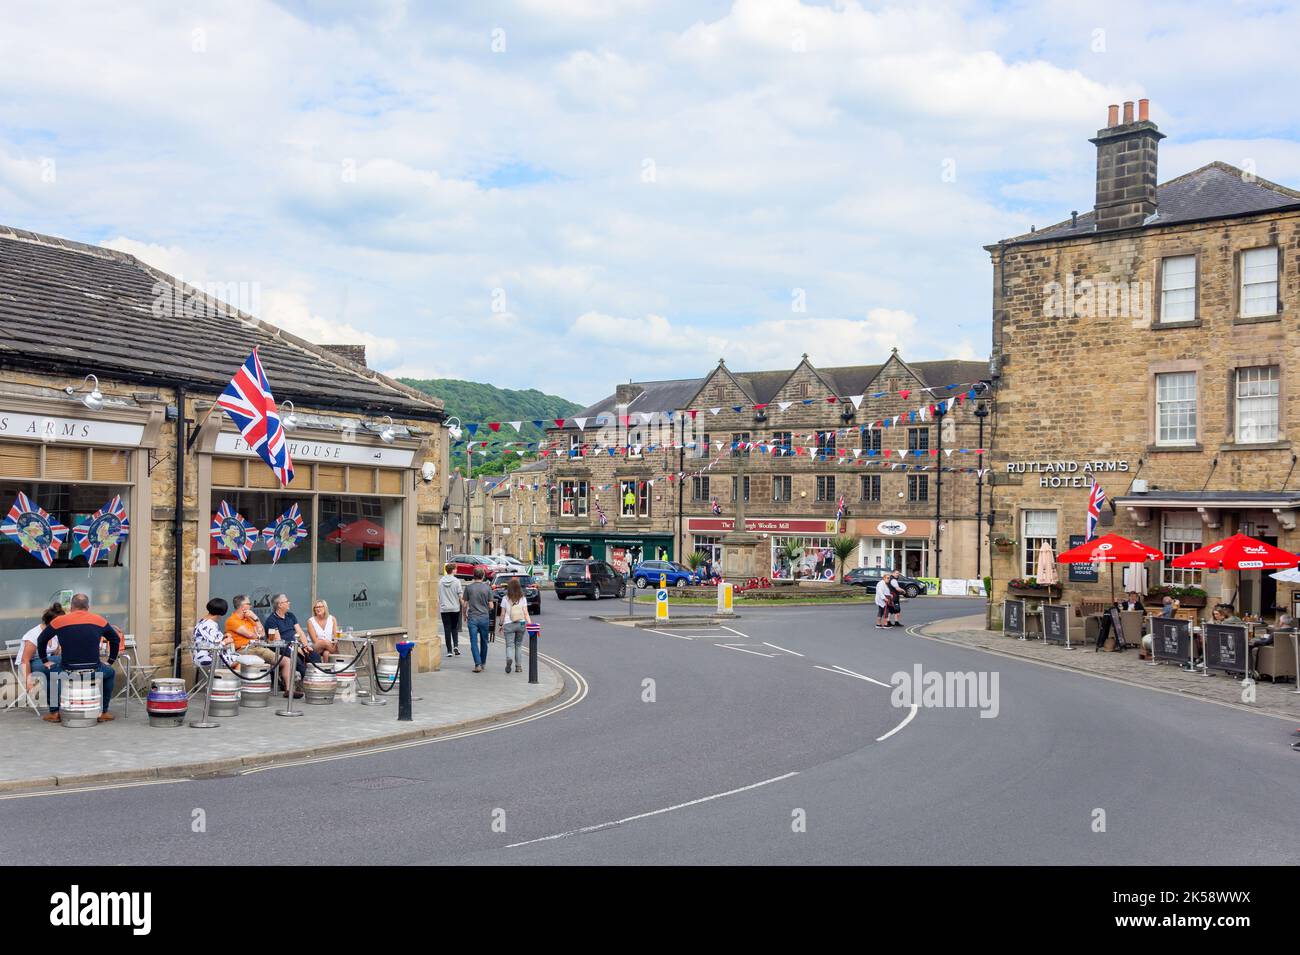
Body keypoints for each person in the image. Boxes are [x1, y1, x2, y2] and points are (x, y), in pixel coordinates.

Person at [36, 593, 119, 723]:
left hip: (67, 671)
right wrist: (110, 661)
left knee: (51, 672)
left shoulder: (59, 621)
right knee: (111, 673)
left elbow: (41, 640)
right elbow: (115, 639)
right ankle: (103, 712)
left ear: (71, 606)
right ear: (88, 606)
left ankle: (54, 712)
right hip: (94, 671)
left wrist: (45, 660)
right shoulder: (99, 620)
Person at [17, 603, 63, 717]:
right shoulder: (33, 635)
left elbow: (54, 653)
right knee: (60, 665)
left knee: (57, 670)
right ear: (51, 623)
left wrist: (60, 648)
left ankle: (55, 709)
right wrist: (28, 680)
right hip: (30, 664)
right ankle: (57, 707)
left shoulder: (55, 633)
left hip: (47, 662)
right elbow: (24, 660)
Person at [264, 593, 313, 698]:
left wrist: (305, 646)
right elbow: (278, 640)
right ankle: (305, 687)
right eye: (287, 601)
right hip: (283, 647)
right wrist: (295, 647)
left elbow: (300, 632)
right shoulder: (271, 620)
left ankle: (318, 683)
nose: (289, 603)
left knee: (314, 655)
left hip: (296, 645)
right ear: (280, 604)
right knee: (298, 661)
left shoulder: (290, 615)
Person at [225, 595, 278, 666]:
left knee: (284, 660)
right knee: (284, 661)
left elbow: (262, 634)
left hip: (256, 648)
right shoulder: (232, 620)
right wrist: (257, 635)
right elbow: (250, 635)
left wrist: (255, 618)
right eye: (249, 604)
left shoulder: (249, 618)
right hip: (244, 650)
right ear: (243, 606)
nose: (251, 606)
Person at [497, 577, 532, 674]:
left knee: (510, 645)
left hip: (509, 624)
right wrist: (530, 624)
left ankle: (509, 658)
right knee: (519, 645)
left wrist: (500, 624)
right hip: (521, 623)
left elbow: (502, 614)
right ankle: (518, 667)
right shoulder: (523, 598)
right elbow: (525, 613)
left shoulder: (505, 598)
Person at [464, 567, 494, 673]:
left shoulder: (468, 588)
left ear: (473, 575)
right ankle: (483, 663)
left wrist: (464, 615)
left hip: (472, 618)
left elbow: (465, 604)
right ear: (483, 576)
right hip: (484, 618)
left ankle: (477, 664)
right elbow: (491, 606)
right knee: (484, 641)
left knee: (473, 642)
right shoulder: (487, 588)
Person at [192, 597, 234, 672]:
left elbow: (209, 640)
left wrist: (223, 637)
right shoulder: (210, 625)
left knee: (237, 658)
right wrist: (226, 641)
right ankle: (229, 682)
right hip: (206, 657)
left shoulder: (203, 621)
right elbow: (215, 647)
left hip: (201, 655)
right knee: (240, 661)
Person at [438, 562, 465, 657]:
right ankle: (456, 646)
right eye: (455, 569)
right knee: (454, 627)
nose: (456, 570)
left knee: (447, 629)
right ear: (452, 570)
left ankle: (449, 650)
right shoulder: (457, 581)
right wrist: (464, 607)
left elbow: (438, 595)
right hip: (455, 608)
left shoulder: (440, 581)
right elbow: (460, 595)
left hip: (444, 608)